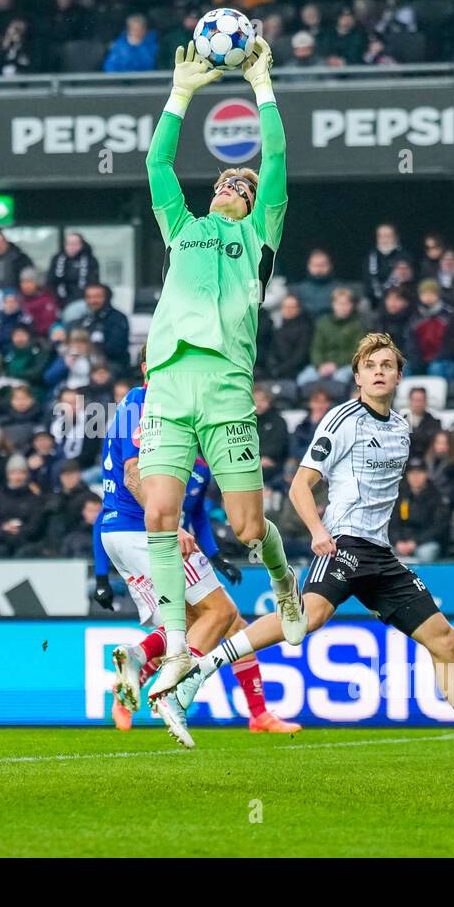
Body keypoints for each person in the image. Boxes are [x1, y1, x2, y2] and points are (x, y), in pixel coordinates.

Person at [170, 334, 454, 761]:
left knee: (445, 640)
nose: (379, 371)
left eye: (387, 365)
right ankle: (202, 670)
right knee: (307, 619)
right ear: (358, 377)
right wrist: (317, 531)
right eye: (371, 366)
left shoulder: (401, 427)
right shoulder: (342, 419)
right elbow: (300, 486)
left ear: (399, 376)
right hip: (342, 542)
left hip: (379, 553)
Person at [140, 40, 304, 700]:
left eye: (248, 181)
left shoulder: (261, 237)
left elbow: (280, 158)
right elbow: (156, 161)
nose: (239, 183)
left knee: (244, 528)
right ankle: (177, 646)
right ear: (213, 193)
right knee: (158, 513)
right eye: (228, 180)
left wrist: (261, 84)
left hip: (227, 386)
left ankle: (284, 581)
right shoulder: (181, 226)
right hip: (170, 384)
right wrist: (181, 94)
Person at [94, 364, 297, 740]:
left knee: (215, 623)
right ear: (147, 369)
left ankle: (256, 713)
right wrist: (168, 527)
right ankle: (163, 683)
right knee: (223, 613)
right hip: (142, 531)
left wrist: (215, 554)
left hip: (129, 533)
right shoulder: (144, 405)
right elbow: (133, 474)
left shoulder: (158, 414)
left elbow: (198, 510)